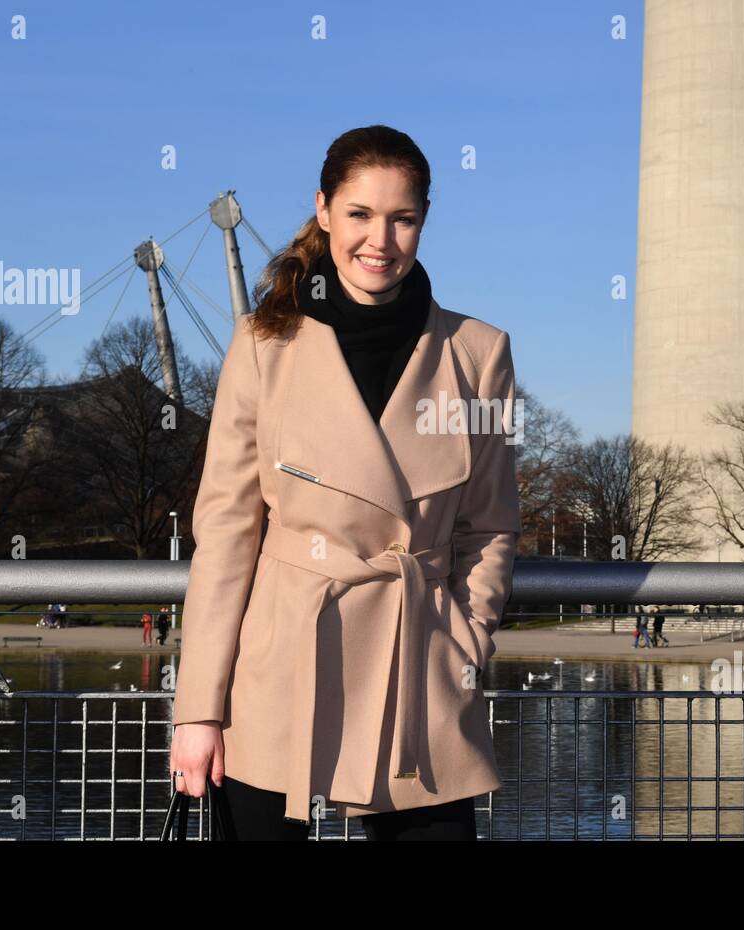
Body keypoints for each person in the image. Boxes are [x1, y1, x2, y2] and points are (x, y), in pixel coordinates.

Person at [169, 126, 522, 841]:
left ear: (425, 218)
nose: (381, 240)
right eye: (360, 214)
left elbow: (490, 525)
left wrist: (465, 641)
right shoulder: (263, 345)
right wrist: (198, 710)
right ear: (324, 210)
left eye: (403, 218)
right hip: (277, 669)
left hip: (418, 661)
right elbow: (227, 535)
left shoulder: (478, 353)